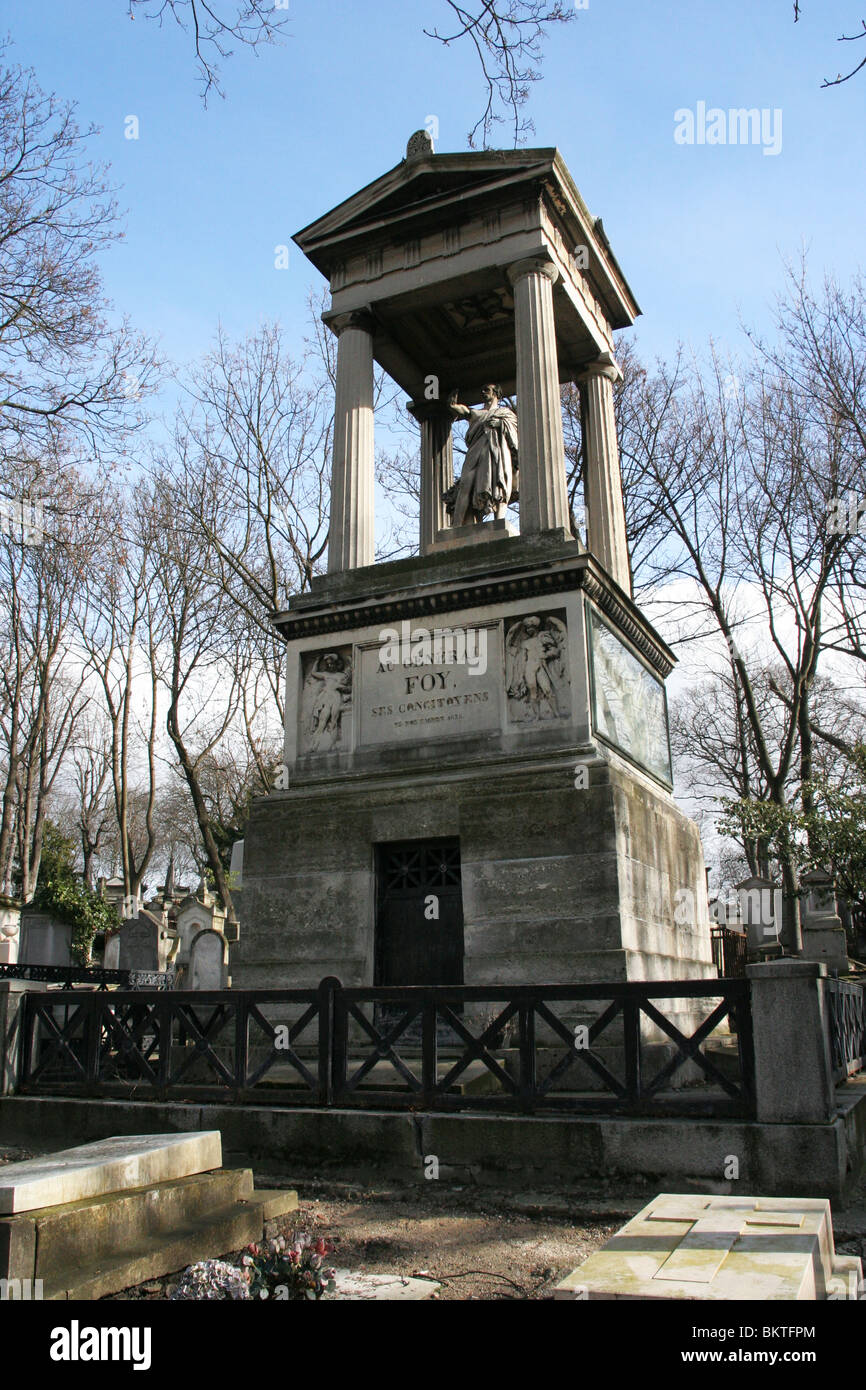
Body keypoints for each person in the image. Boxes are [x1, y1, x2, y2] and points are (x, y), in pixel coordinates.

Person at [446, 383, 518, 525]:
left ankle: (499, 521)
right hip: (475, 454)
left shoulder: (505, 413)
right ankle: (456, 525)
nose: (483, 392)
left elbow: (513, 434)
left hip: (497, 454)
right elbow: (465, 411)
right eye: (482, 390)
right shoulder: (477, 414)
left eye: (487, 390)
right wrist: (452, 406)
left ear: (496, 393)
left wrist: (500, 424)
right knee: (466, 484)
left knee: (500, 484)